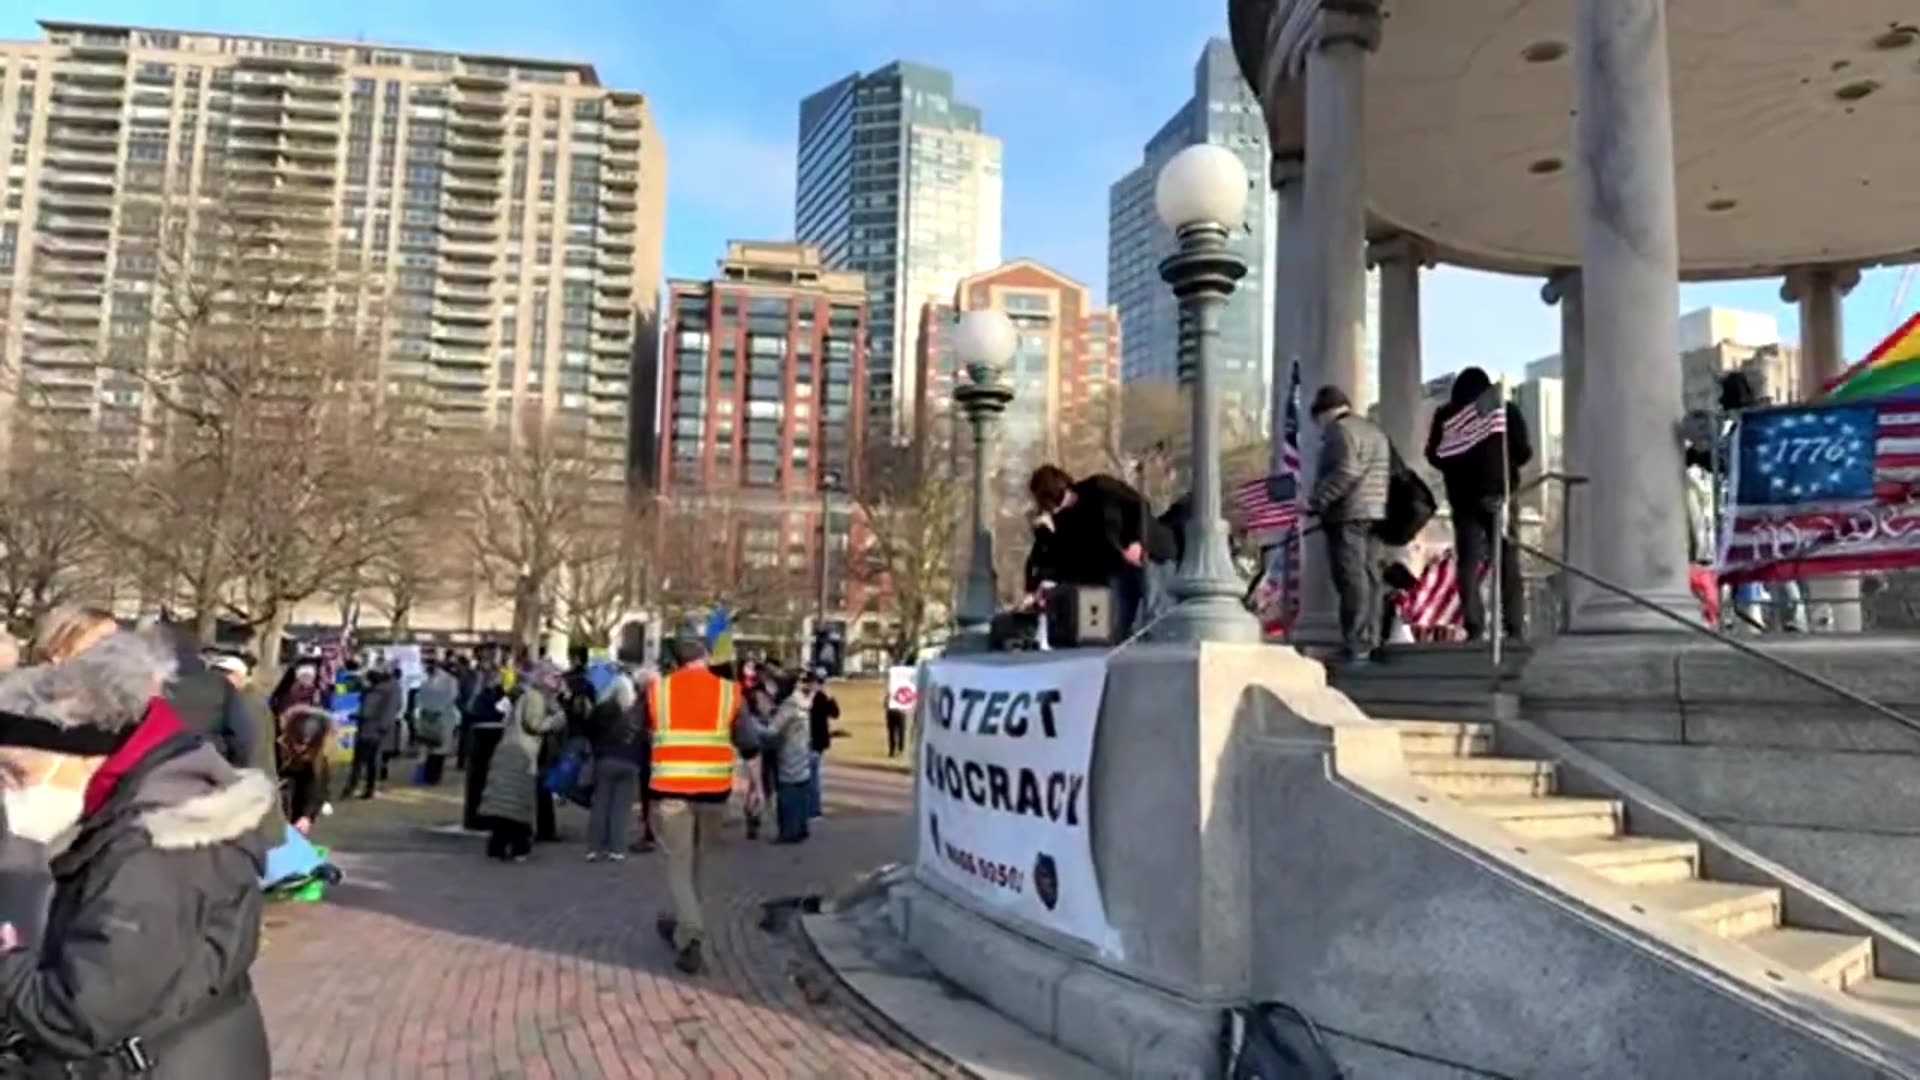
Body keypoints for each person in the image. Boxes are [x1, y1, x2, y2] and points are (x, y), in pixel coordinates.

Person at [0, 625, 274, 1077]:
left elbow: (79, 1014)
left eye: (17, 774)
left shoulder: (160, 848)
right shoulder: (149, 806)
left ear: (84, 758)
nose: (9, 794)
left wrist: (6, 967)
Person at [646, 629, 741, 975]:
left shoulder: (660, 691)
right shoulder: (729, 693)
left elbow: (642, 732)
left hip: (672, 790)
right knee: (700, 862)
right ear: (705, 655)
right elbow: (748, 739)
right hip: (715, 791)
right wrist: (757, 785)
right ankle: (686, 930)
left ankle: (692, 931)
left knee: (678, 863)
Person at [1424, 366, 1532, 643]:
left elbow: (1434, 454)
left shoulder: (1446, 416)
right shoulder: (1503, 410)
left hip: (1463, 499)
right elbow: (1524, 451)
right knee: (1506, 559)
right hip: (1500, 492)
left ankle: (1475, 626)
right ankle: (1514, 626)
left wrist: (1457, 466)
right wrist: (1505, 464)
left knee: (1468, 562)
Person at [1307, 385, 1393, 665]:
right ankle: (1372, 638)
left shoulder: (1340, 431)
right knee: (1370, 578)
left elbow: (1347, 470)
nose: (1320, 431)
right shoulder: (1374, 432)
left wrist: (1317, 500)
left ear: (1323, 414)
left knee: (1351, 579)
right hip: (1375, 512)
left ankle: (1355, 643)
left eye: (1318, 423)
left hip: (1347, 514)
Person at [1027, 464, 1155, 637]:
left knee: (1156, 614)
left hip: (1148, 556)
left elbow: (1139, 505)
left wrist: (1136, 541)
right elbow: (1067, 563)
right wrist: (1044, 538)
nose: (1061, 506)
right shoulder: (1063, 521)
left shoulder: (1099, 487)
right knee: (1119, 627)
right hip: (1112, 572)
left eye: (1061, 498)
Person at [477, 662, 564, 862]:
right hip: (520, 755)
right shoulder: (535, 697)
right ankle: (518, 847)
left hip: (511, 752)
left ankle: (498, 846)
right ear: (543, 678)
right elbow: (534, 724)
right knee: (518, 804)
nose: (558, 682)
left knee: (507, 804)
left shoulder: (531, 695)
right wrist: (556, 721)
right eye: (554, 677)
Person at [584, 661, 643, 862]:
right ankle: (616, 849)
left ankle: (594, 848)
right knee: (621, 807)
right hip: (629, 761)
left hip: (605, 759)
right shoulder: (633, 713)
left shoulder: (601, 710)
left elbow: (589, 732)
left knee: (600, 804)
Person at [770, 678, 816, 844]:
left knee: (787, 794)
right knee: (801, 790)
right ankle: (801, 828)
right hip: (802, 749)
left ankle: (788, 832)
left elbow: (773, 730)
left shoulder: (789, 706)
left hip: (788, 752)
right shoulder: (803, 703)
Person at [276, 704, 333, 836]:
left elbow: (315, 787)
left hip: (297, 801)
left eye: (308, 745)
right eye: (299, 743)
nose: (301, 749)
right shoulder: (275, 745)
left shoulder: (317, 758)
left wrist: (306, 816)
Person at [345, 666, 400, 799]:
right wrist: (357, 715)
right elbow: (363, 705)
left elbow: (390, 710)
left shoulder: (390, 689)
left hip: (376, 730)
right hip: (364, 727)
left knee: (372, 762)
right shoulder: (370, 689)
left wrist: (382, 726)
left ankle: (369, 788)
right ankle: (352, 786)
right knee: (357, 760)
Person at [414, 656, 461, 786]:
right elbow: (421, 696)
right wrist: (423, 709)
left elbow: (451, 697)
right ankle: (427, 775)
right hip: (428, 716)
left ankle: (433, 776)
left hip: (442, 718)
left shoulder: (449, 681)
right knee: (428, 746)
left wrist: (436, 711)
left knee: (438, 748)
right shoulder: (427, 679)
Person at [804, 667, 837, 820]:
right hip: (806, 740)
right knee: (809, 775)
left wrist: (830, 698)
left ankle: (814, 810)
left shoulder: (821, 698)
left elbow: (835, 714)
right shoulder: (805, 697)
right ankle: (809, 807)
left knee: (812, 775)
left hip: (816, 741)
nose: (812, 685)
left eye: (815, 683)